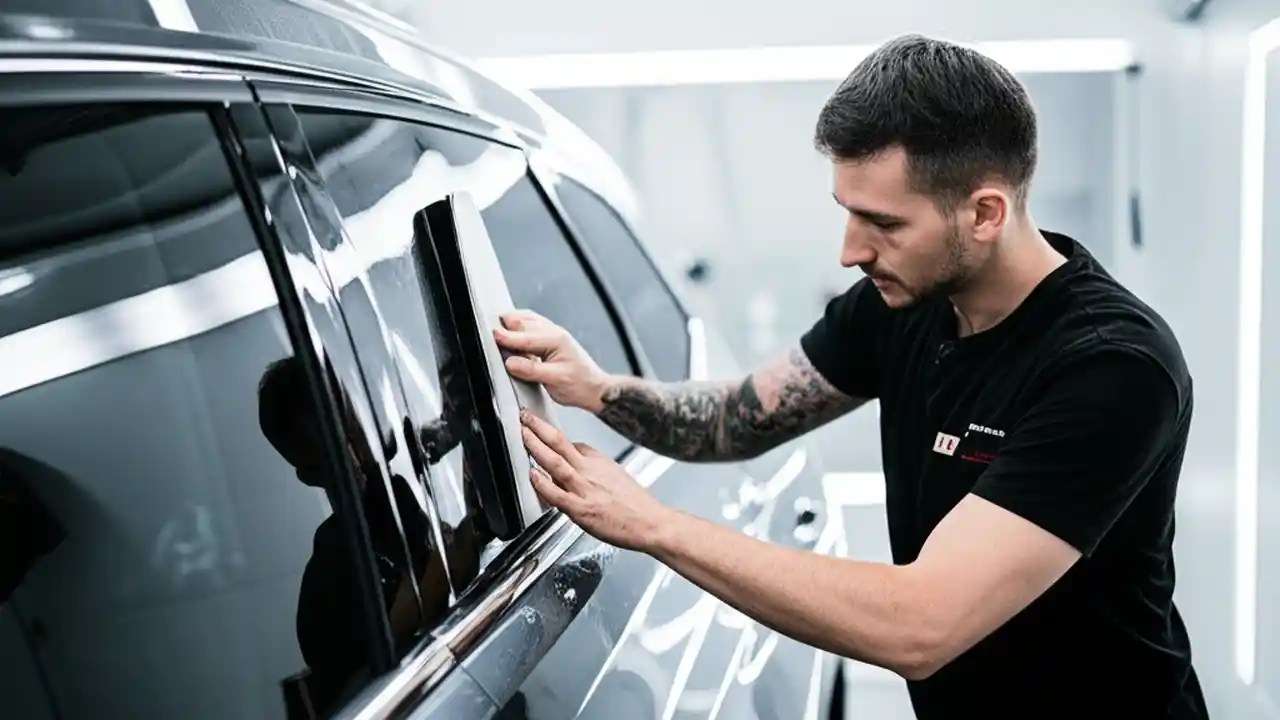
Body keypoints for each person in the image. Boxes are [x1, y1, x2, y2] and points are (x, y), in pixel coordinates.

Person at [493, 34, 1208, 719]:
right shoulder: (901, 304)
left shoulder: (1111, 367)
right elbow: (738, 416)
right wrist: (595, 387)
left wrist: (651, 525)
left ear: (985, 212)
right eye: (846, 213)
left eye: (883, 223)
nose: (849, 251)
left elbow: (920, 626)